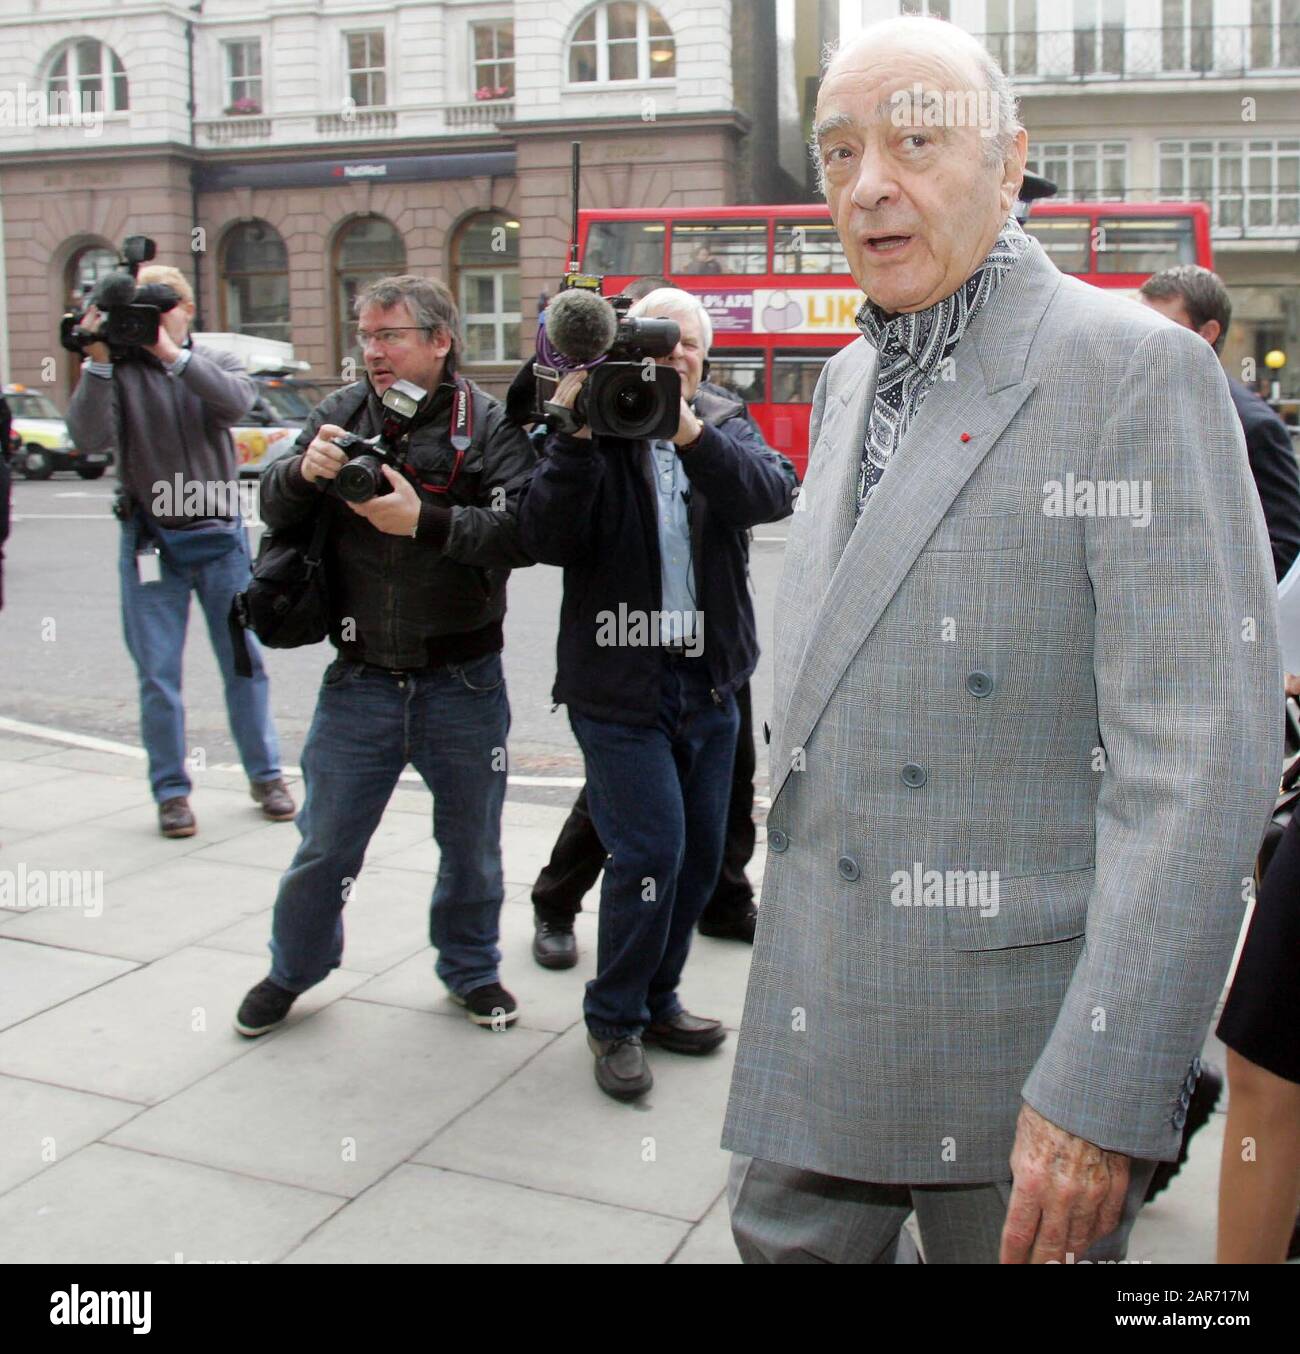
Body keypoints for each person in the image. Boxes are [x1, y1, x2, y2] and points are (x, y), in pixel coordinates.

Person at [721, 13, 1280, 1264]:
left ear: (1011, 158)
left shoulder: (1131, 369)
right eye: (839, 149)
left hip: (1013, 1067)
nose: (870, 184)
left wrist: (1100, 1090)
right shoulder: (845, 377)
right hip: (823, 1010)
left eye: (916, 140)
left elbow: (1198, 767)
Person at [232, 275, 536, 1037]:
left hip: (463, 678)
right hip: (360, 676)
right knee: (325, 845)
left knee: (472, 847)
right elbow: (271, 503)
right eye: (364, 335)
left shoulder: (486, 422)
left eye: (389, 334)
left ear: (440, 341)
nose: (371, 350)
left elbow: (524, 532)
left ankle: (471, 971)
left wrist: (424, 521)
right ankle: (291, 970)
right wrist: (304, 472)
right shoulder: (339, 413)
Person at [519, 287, 796, 1100]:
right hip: (618, 685)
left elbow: (773, 493)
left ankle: (658, 996)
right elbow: (543, 536)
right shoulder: (600, 424)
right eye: (661, 349)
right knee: (651, 852)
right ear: (631, 351)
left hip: (709, 681)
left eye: (692, 352)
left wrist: (691, 433)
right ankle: (614, 1020)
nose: (676, 364)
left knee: (704, 856)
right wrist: (574, 436)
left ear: (705, 360)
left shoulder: (720, 419)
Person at [64, 264, 294, 838]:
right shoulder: (117, 371)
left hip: (219, 538)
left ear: (187, 310)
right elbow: (86, 440)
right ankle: (171, 792)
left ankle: (266, 775)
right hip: (150, 539)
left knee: (244, 664)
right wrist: (97, 358)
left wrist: (171, 353)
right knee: (157, 675)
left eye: (159, 309)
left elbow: (236, 404)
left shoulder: (214, 361)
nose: (146, 322)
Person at [1139, 264, 1300, 581]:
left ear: (1207, 332)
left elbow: (1283, 543)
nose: (1143, 336)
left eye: (1161, 324)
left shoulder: (1252, 425)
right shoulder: (1140, 403)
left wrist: (1206, 596)